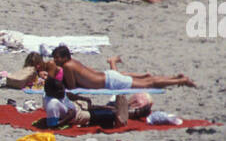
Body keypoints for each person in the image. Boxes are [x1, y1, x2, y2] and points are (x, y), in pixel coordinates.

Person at [50, 44, 195, 90]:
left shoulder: (67, 66)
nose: (55, 60)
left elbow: (72, 86)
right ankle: (175, 77)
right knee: (146, 81)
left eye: (57, 57)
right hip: (107, 76)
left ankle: (180, 81)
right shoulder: (73, 62)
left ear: (65, 57)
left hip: (110, 81)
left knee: (148, 84)